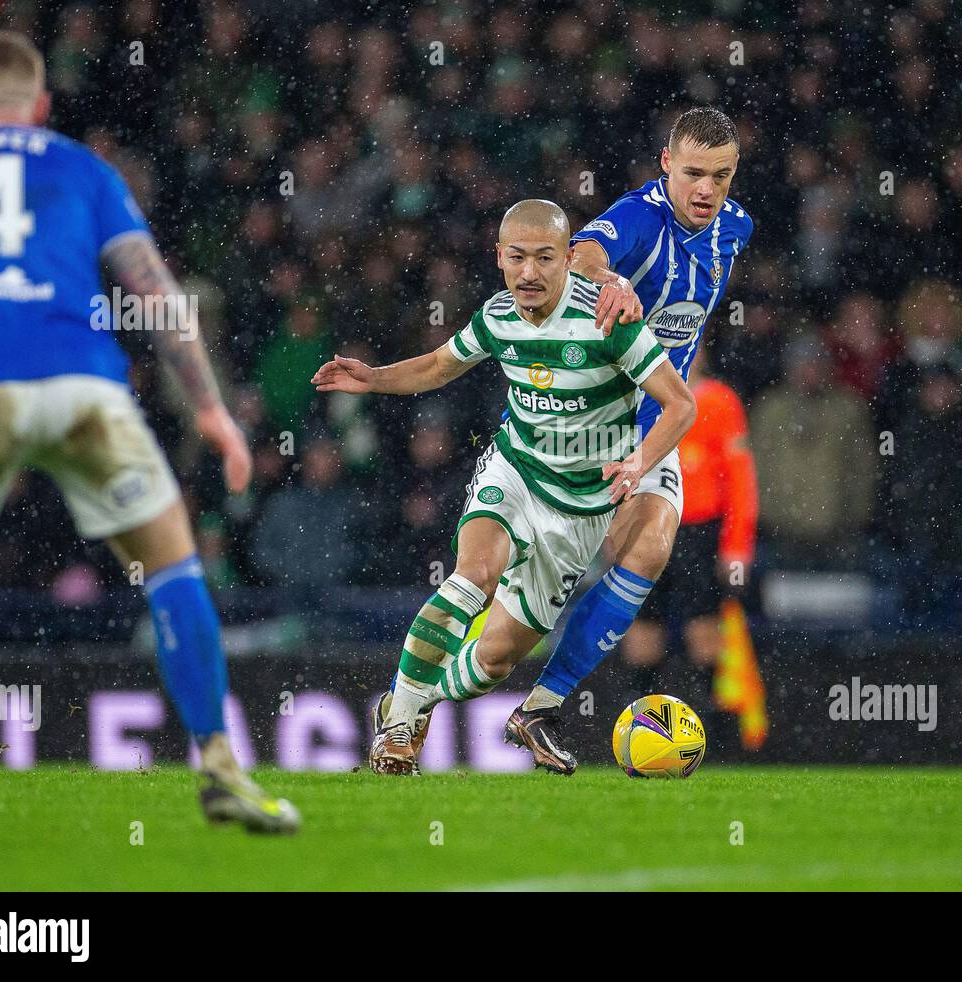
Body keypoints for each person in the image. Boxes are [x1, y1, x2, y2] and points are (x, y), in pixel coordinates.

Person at [0, 32, 298, 832]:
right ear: (40, 108)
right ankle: (218, 766)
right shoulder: (80, 166)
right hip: (82, 389)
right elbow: (154, 287)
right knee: (172, 569)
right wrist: (208, 407)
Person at [311, 199, 695, 775]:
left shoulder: (610, 320)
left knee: (492, 662)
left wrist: (640, 463)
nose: (529, 273)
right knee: (471, 578)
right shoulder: (497, 316)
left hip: (581, 511)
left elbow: (680, 405)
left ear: (570, 259)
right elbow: (440, 366)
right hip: (515, 473)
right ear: (499, 258)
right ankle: (396, 732)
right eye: (517, 258)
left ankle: (414, 702)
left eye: (545, 258)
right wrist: (375, 378)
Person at [503, 107, 754, 773]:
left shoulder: (736, 228)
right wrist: (607, 279)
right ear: (666, 164)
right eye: (693, 172)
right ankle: (412, 706)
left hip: (652, 432)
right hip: (591, 423)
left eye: (721, 176)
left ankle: (539, 707)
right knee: (515, 624)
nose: (706, 189)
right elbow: (584, 253)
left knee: (649, 549)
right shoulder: (642, 215)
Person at [620, 347, 757, 679]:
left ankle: (710, 720)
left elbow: (740, 482)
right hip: (645, 525)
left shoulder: (719, 402)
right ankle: (641, 720)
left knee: (705, 633)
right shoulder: (632, 401)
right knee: (640, 632)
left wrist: (737, 546)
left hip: (698, 533)